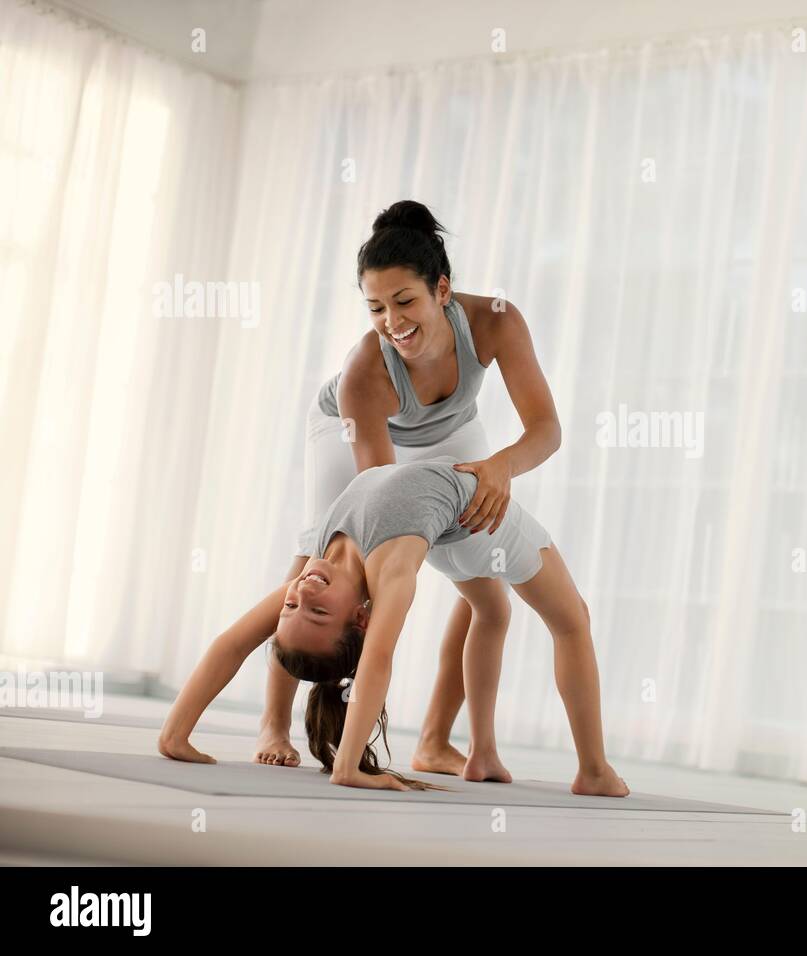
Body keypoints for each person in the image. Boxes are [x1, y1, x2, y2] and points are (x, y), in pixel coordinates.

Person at [257, 199, 561, 775]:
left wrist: (499, 466)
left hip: (452, 430)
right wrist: (384, 589)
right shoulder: (363, 374)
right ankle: (275, 720)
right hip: (353, 430)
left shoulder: (496, 320)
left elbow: (546, 430)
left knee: (487, 591)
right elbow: (380, 497)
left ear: (442, 290)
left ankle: (442, 741)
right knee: (319, 560)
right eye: (375, 308)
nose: (392, 322)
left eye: (404, 302)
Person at [159, 455, 629, 796]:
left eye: (292, 608)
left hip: (445, 528)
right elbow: (377, 659)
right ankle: (594, 770)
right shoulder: (392, 572)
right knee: (572, 621)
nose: (302, 593)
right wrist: (347, 764)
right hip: (479, 519)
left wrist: (175, 733)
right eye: (318, 611)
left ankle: (482, 754)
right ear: (362, 617)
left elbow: (233, 641)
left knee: (491, 611)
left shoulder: (318, 561)